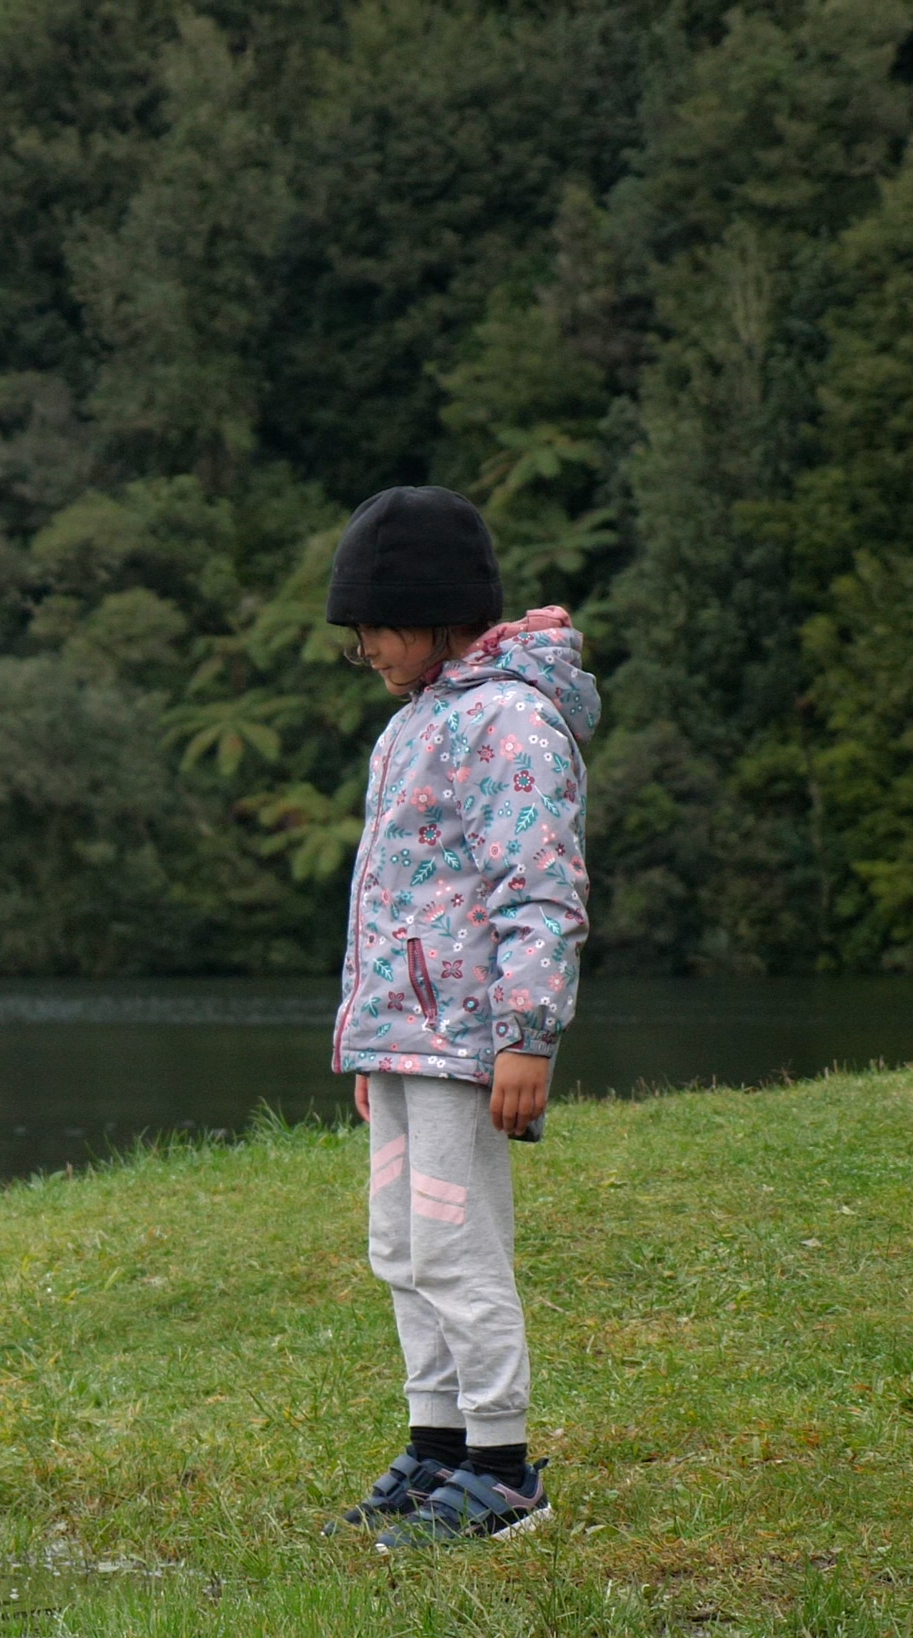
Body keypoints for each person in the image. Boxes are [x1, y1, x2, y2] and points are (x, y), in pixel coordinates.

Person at [322, 484, 596, 1546]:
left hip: (468, 1046)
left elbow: (537, 889)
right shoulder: (419, 721)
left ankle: (502, 1466)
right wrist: (370, 1039)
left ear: (437, 616)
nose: (371, 654)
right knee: (401, 1246)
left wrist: (527, 1038)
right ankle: (436, 1446)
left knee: (456, 1246)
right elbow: (392, 899)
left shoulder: (510, 722)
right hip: (406, 1042)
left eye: (377, 632)